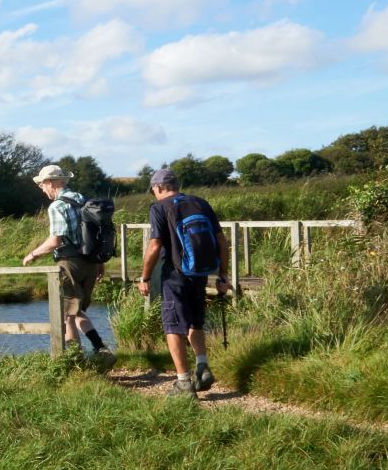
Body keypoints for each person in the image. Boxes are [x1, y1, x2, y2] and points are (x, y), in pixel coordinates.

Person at [137, 168, 231, 398]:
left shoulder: (159, 208)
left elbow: (154, 246)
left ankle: (183, 383)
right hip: (200, 273)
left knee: (173, 326)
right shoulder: (200, 203)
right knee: (194, 322)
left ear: (158, 187)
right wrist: (222, 275)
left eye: (153, 190)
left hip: (174, 276)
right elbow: (222, 241)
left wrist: (145, 277)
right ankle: (202, 367)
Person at [21, 165, 116, 368]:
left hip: (70, 263)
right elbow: (95, 233)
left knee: (66, 316)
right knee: (77, 311)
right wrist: (99, 262)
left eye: (42, 185)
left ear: (51, 183)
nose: (42, 189)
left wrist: (33, 254)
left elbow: (55, 241)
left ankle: (75, 362)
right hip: (91, 262)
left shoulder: (57, 206)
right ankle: (100, 348)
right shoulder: (83, 200)